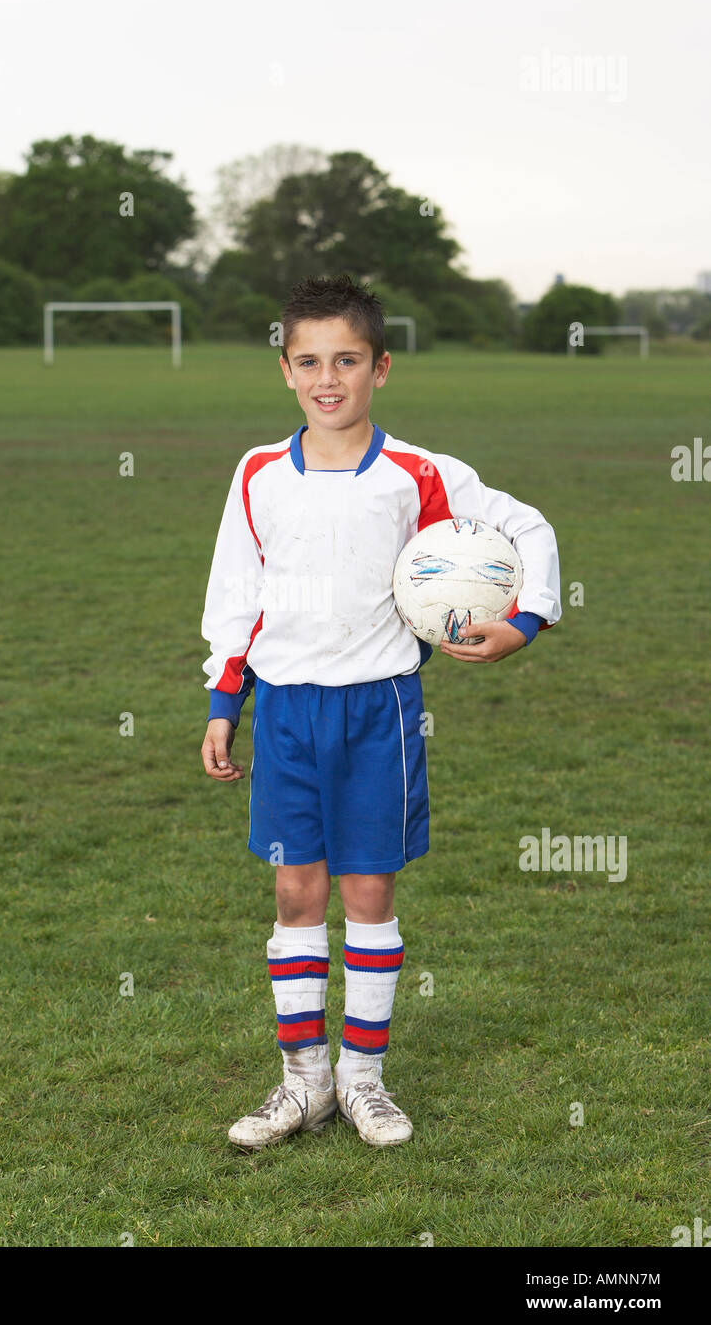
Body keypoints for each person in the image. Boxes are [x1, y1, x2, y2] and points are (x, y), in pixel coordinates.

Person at [199, 274, 561, 1148]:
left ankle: (364, 1080)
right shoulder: (257, 474)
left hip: (381, 712)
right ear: (286, 370)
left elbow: (531, 528)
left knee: (366, 889)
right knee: (296, 891)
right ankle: (303, 1082)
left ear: (381, 368)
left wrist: (522, 622)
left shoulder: (418, 474)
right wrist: (224, 700)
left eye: (348, 361)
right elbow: (236, 595)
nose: (330, 379)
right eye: (310, 361)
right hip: (285, 712)